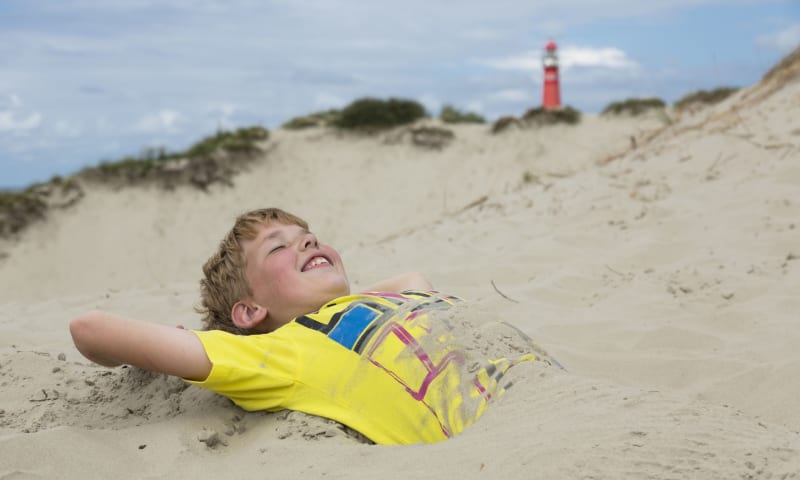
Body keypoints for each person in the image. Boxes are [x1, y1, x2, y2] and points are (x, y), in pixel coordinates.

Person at [70, 208, 540, 444]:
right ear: (250, 311)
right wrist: (190, 343)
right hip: (508, 440)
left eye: (307, 237)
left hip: (554, 391)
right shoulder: (284, 351)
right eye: (279, 248)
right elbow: (89, 328)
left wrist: (343, 298)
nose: (307, 241)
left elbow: (413, 278)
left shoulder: (395, 295)